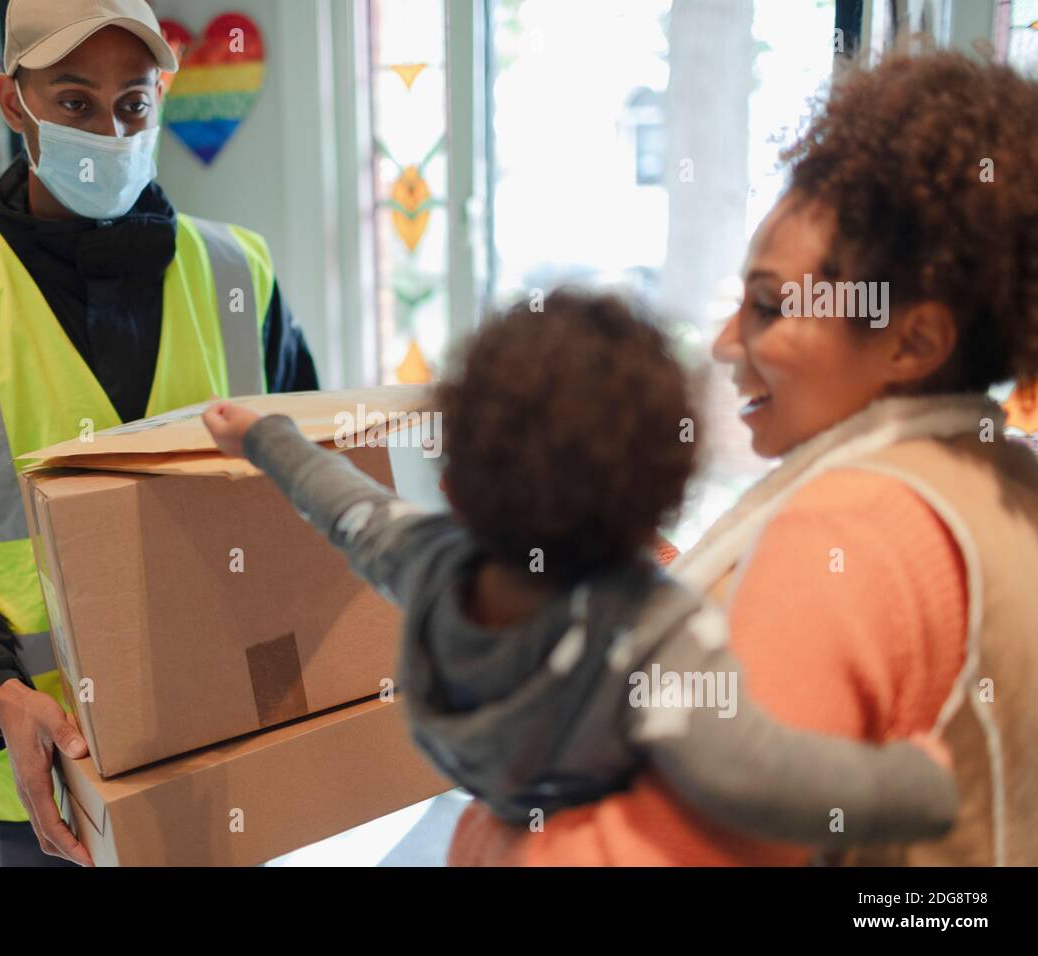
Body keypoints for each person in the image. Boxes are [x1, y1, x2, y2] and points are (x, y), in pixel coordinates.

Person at [448, 52, 1038, 866]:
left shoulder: (849, 530)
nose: (727, 344)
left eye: (768, 308)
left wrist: (489, 832)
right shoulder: (1006, 478)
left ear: (916, 341)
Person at [0, 0, 318, 867]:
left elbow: (307, 492)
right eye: (76, 102)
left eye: (133, 101)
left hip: (230, 746)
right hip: (48, 786)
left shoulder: (239, 274)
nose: (113, 130)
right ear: (14, 102)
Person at [203, 291, 957, 849]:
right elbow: (757, 773)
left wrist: (267, 436)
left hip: (491, 810)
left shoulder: (430, 564)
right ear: (661, 510)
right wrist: (918, 784)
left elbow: (344, 507)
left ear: (458, 485)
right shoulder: (653, 633)